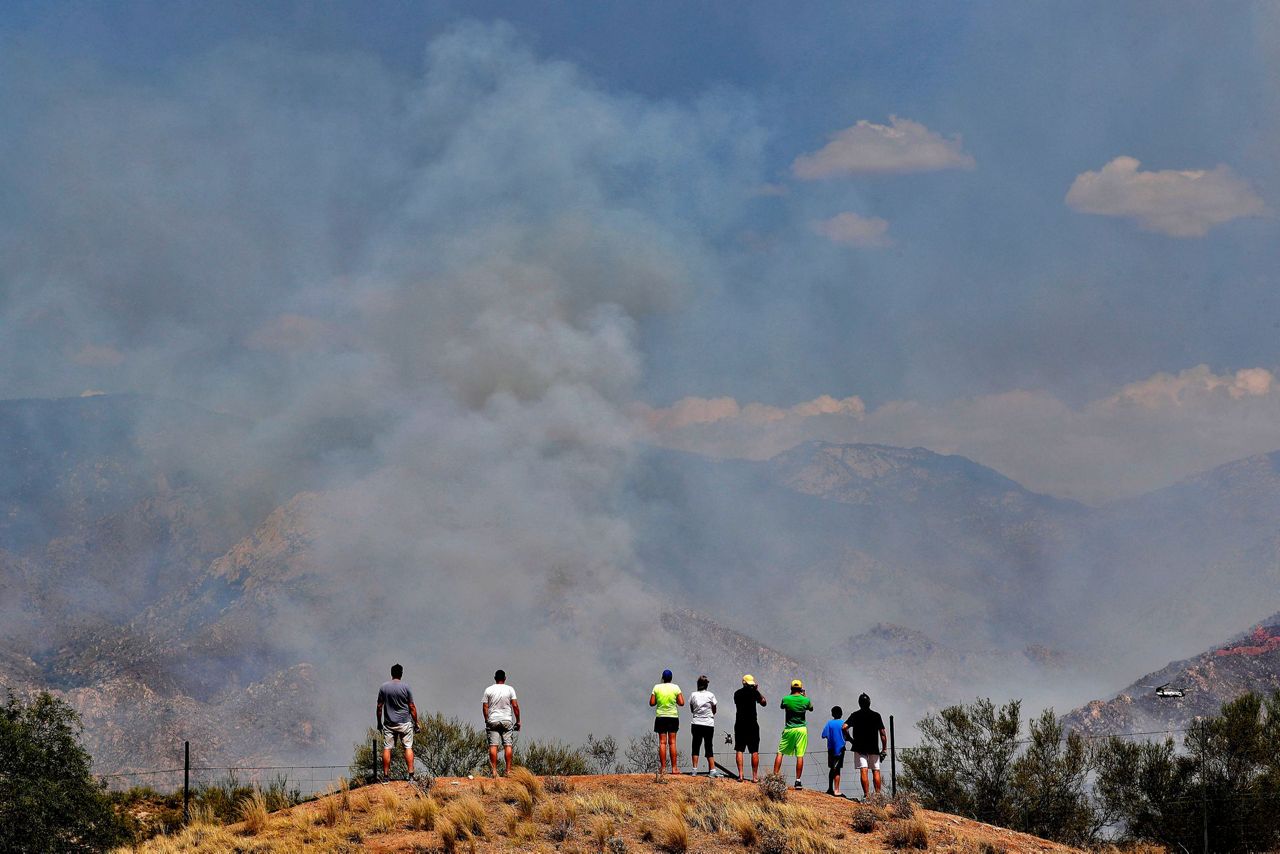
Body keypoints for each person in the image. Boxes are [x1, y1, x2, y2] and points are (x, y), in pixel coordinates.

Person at [376, 663, 419, 780]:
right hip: (405, 723)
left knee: (387, 748)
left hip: (389, 724)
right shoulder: (406, 687)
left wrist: (379, 723)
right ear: (401, 674)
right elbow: (412, 706)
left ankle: (385, 776)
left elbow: (379, 707)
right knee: (408, 747)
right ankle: (411, 775)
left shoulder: (383, 687)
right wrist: (416, 723)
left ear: (391, 673)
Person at [843, 693, 887, 799]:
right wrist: (884, 748)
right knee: (876, 770)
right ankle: (878, 796)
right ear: (869, 703)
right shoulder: (876, 715)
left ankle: (866, 796)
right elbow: (883, 733)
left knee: (864, 770)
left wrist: (849, 739)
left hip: (859, 747)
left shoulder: (855, 715)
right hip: (874, 748)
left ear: (859, 703)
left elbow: (844, 727)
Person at [773, 679, 814, 789]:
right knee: (800, 755)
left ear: (791, 688)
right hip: (801, 729)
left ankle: (775, 778)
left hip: (789, 729)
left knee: (780, 752)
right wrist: (804, 697)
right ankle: (798, 781)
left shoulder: (786, 699)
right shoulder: (806, 700)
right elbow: (811, 708)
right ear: (801, 689)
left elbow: (782, 706)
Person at [482, 669, 521, 778]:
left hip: (493, 720)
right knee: (508, 745)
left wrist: (486, 720)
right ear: (505, 678)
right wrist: (518, 721)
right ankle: (508, 771)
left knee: (493, 745)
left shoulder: (488, 690)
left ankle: (494, 771)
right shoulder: (510, 689)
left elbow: (485, 707)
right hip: (507, 720)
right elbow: (515, 706)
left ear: (495, 678)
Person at [649, 669, 685, 775]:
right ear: (671, 678)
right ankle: (674, 769)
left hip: (661, 716)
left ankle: (663, 768)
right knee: (672, 742)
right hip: (673, 717)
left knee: (662, 743)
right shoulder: (676, 687)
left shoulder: (656, 687)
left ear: (663, 678)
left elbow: (651, 703)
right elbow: (681, 703)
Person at [733, 674, 767, 782]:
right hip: (752, 724)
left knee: (739, 749)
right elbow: (764, 702)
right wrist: (757, 691)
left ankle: (741, 775)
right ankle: (755, 777)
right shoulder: (755, 693)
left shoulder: (737, 693)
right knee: (754, 751)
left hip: (740, 724)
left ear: (743, 683)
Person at [688, 675, 717, 776]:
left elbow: (692, 709)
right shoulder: (711, 695)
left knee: (695, 745)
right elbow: (714, 710)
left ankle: (694, 769)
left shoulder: (693, 695)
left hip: (696, 723)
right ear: (706, 685)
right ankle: (712, 769)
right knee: (708, 745)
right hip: (708, 723)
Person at [820, 705, 846, 797]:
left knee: (832, 768)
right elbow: (846, 735)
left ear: (832, 714)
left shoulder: (829, 723)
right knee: (837, 769)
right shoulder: (843, 723)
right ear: (841, 714)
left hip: (831, 749)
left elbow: (823, 735)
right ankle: (836, 790)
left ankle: (830, 788)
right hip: (840, 749)